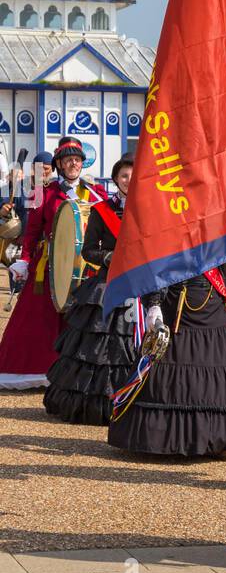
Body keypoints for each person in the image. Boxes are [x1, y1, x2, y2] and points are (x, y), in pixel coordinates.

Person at [108, 260, 226, 458]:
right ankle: (167, 439)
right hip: (176, 299)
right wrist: (154, 302)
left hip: (213, 300)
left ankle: (217, 438)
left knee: (215, 367)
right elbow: (158, 257)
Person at [0, 138, 106, 390]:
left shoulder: (96, 193)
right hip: (49, 263)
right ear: (59, 164)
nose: (73, 164)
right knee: (39, 318)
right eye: (68, 160)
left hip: (86, 264)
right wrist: (25, 260)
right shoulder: (42, 191)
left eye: (77, 160)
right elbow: (32, 231)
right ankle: (35, 369)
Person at [43, 152, 138, 424]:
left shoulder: (150, 210)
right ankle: (97, 405)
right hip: (107, 285)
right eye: (123, 175)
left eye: (133, 176)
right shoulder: (101, 210)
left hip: (139, 283)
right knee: (96, 347)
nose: (128, 180)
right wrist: (108, 257)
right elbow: (87, 251)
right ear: (115, 179)